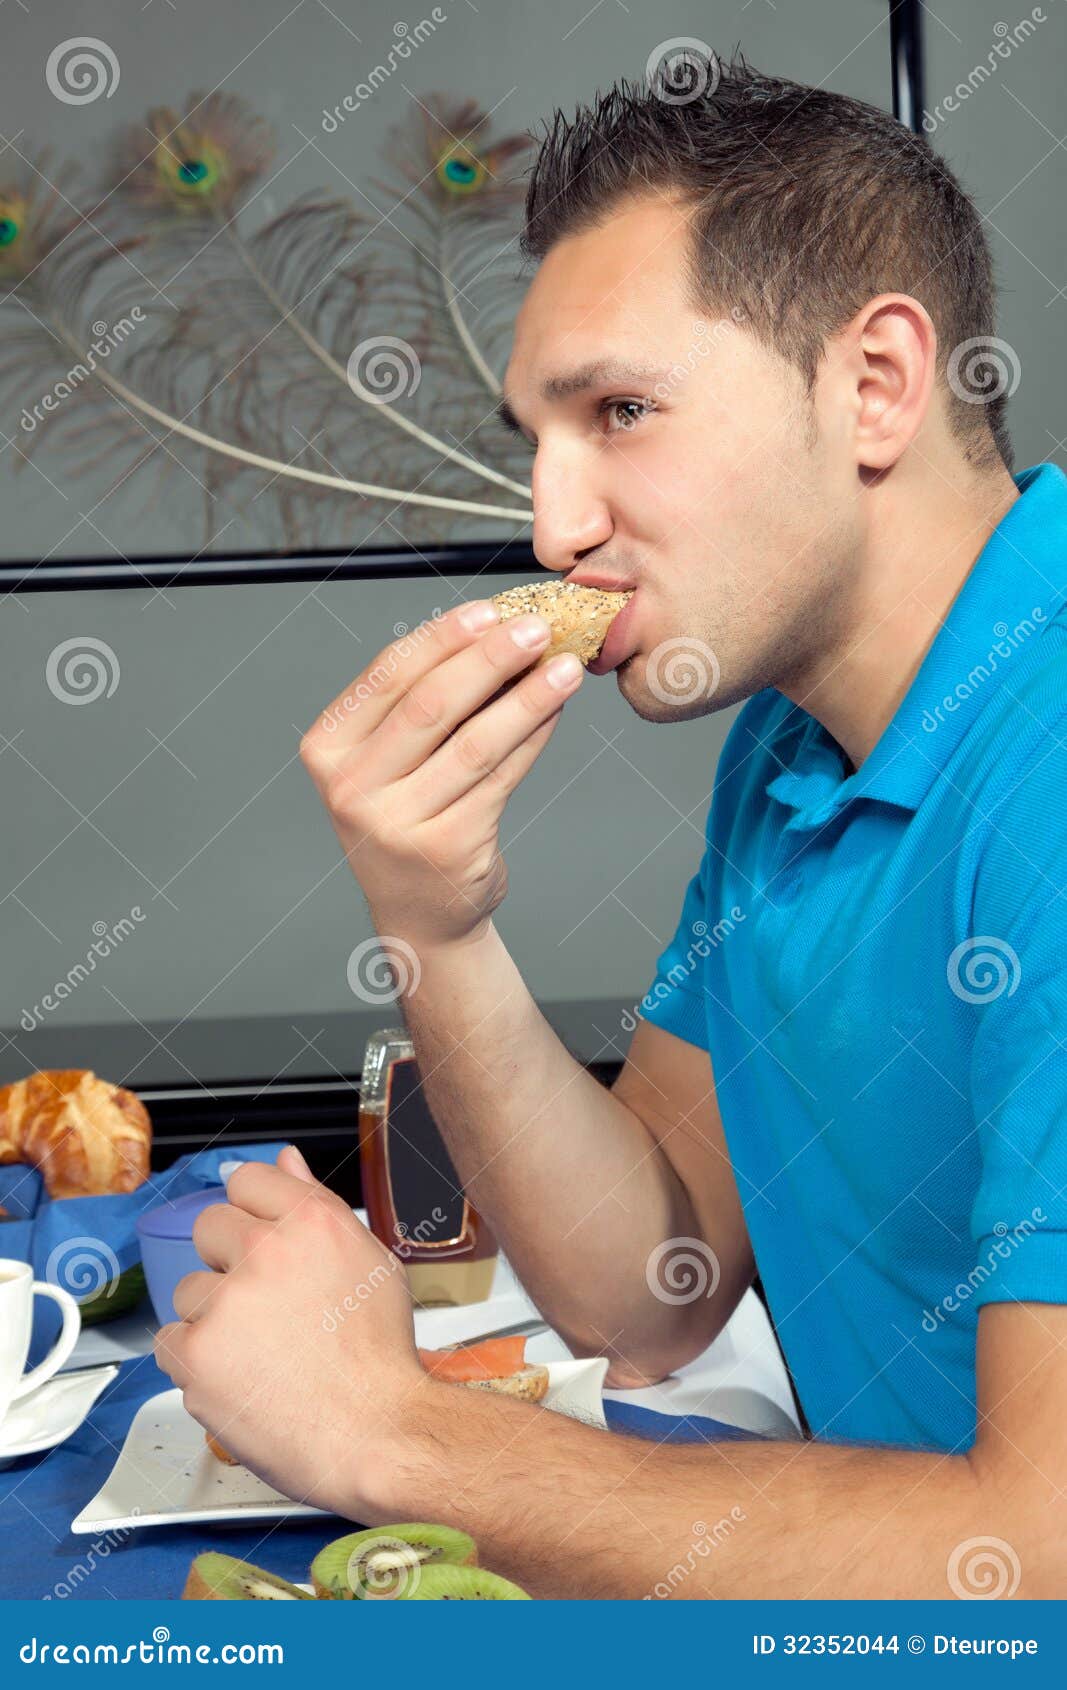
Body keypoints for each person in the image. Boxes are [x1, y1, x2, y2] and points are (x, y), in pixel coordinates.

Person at [156, 58, 1067, 1598]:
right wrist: (433, 921)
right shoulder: (794, 728)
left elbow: (1036, 1556)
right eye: (539, 438)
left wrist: (389, 1435)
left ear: (878, 384)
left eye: (622, 412)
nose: (554, 523)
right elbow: (654, 1285)